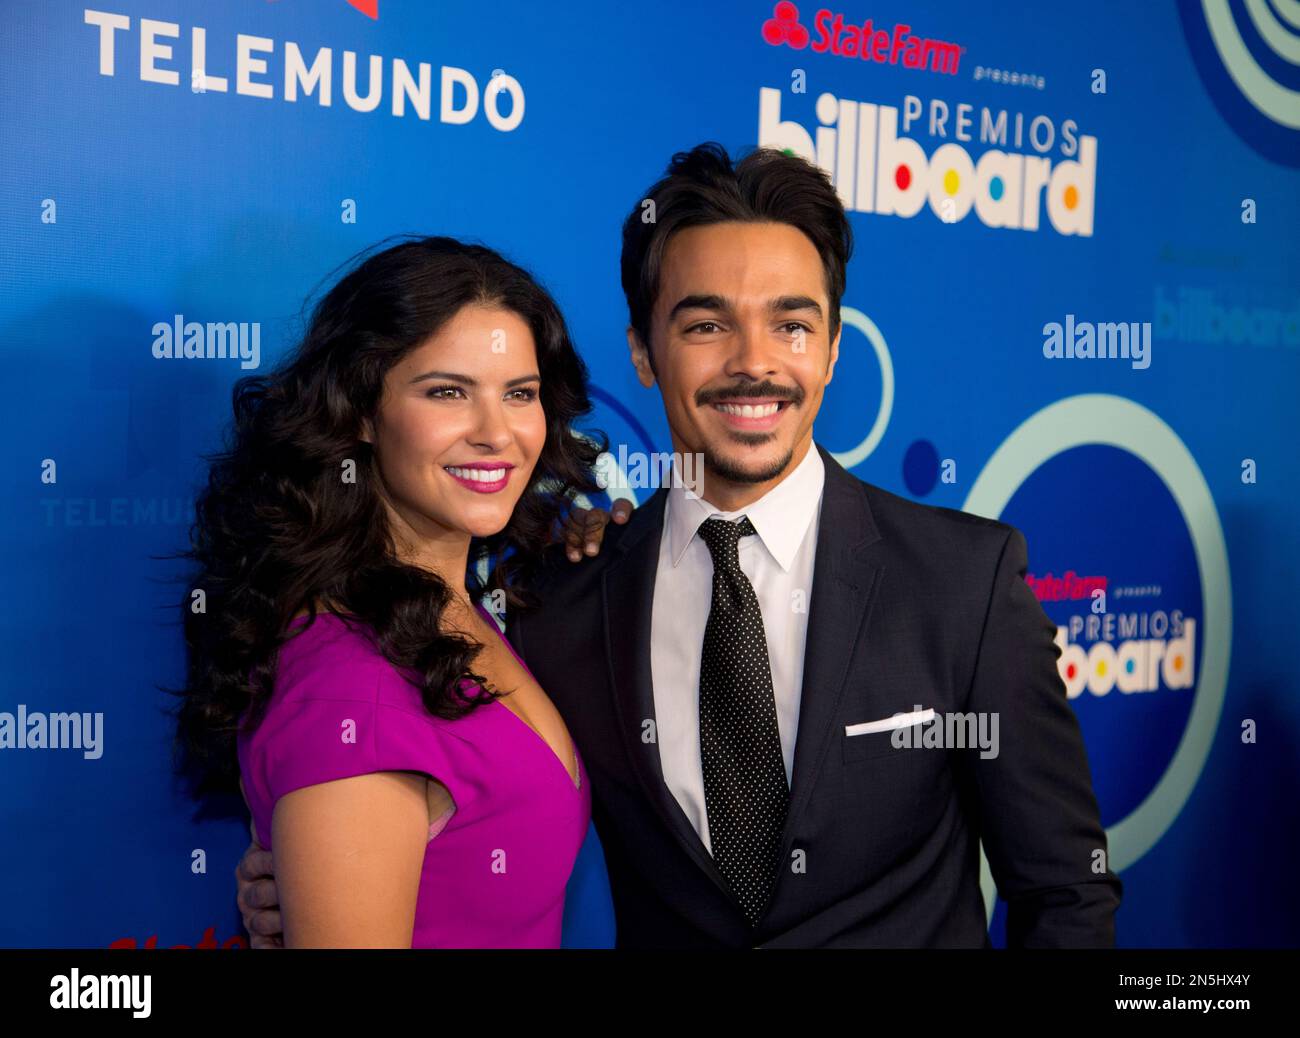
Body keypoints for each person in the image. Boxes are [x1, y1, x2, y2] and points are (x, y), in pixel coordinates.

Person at [239, 144, 1122, 948]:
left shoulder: (965, 582)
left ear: (833, 351)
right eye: (705, 325)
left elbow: (1067, 896)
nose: (753, 363)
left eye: (791, 324)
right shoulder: (561, 597)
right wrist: (322, 887)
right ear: (643, 353)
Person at [179, 235, 602, 947]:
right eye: (447, 392)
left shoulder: (456, 608)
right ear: (361, 412)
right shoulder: (352, 690)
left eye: (519, 394)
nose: (497, 433)